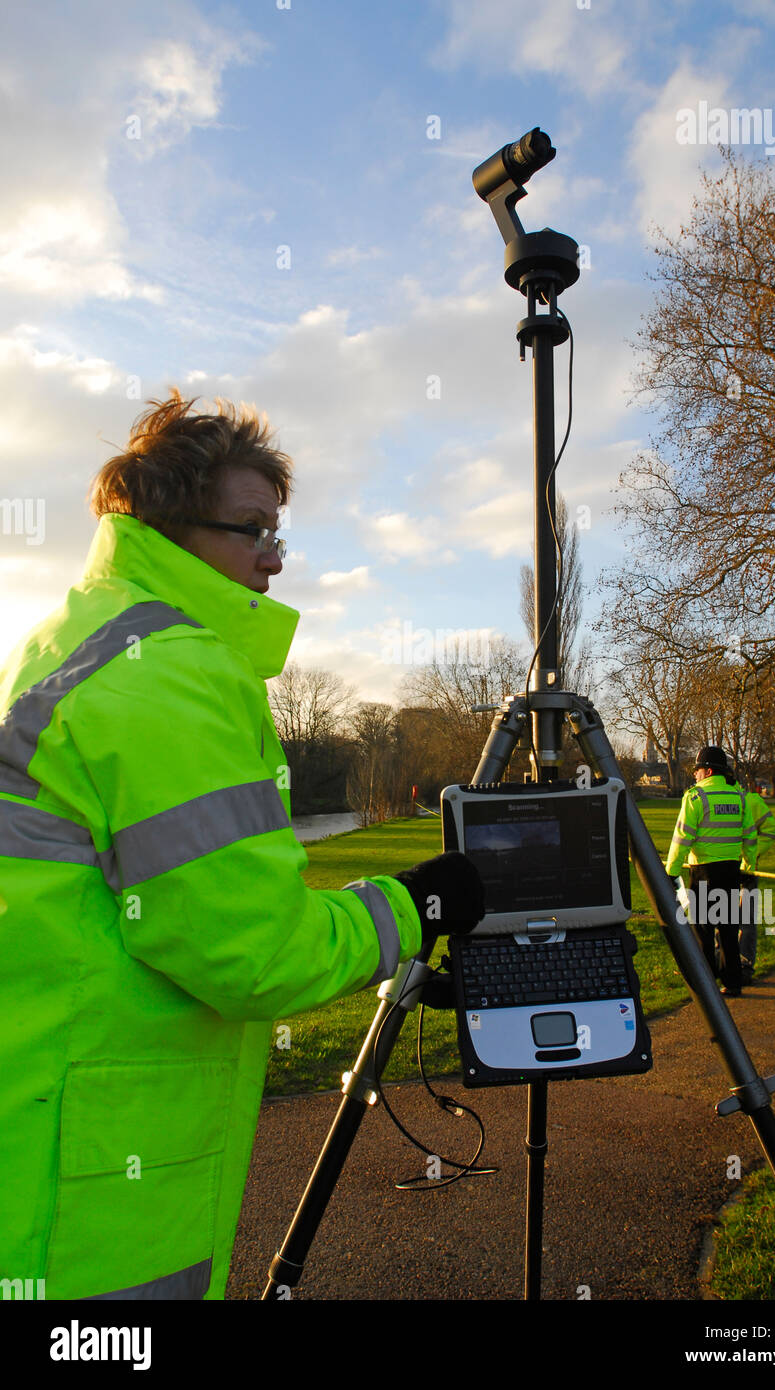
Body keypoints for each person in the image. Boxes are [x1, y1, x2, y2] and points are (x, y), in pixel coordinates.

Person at [0, 390, 485, 1302]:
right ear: (170, 526)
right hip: (83, 1210)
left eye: (280, 535)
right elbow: (253, 954)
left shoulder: (69, 641)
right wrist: (416, 906)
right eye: (252, 529)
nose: (273, 560)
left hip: (39, 1127)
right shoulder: (172, 673)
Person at [665, 746, 757, 998]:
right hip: (730, 870)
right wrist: (748, 867)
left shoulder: (695, 798)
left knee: (703, 932)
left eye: (697, 770)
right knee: (728, 931)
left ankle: (707, 986)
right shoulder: (739, 797)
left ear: (706, 771)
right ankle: (733, 983)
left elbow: (682, 837)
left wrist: (671, 871)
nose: (695, 775)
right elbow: (750, 836)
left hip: (703, 872)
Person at [737, 779, 775, 985]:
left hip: (745, 871)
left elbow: (769, 830)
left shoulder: (751, 801)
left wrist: (750, 856)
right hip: (723, 869)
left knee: (745, 920)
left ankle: (744, 964)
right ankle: (725, 963)